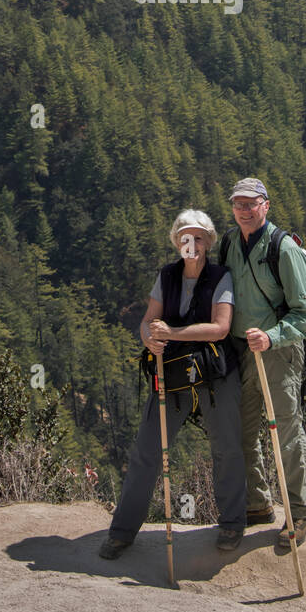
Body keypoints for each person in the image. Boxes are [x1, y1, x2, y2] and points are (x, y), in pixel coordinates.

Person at [99, 209, 247, 559]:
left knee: (226, 448)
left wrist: (172, 333)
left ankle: (232, 523)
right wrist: (149, 338)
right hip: (173, 370)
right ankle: (122, 532)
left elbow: (220, 327)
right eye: (185, 238)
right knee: (146, 451)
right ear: (176, 243)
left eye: (198, 238)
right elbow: (149, 321)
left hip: (213, 373)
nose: (191, 244)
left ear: (208, 242)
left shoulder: (221, 276)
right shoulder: (166, 276)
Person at [222, 177, 306, 550]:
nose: (244, 210)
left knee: (285, 434)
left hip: (278, 353)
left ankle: (299, 513)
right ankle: (258, 505)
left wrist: (272, 336)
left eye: (251, 203)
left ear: (266, 205)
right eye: (238, 204)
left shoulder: (284, 248)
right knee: (244, 432)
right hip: (242, 351)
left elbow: (305, 317)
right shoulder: (229, 243)